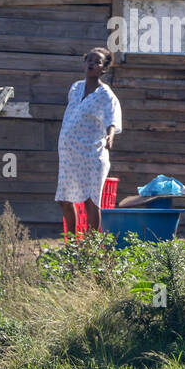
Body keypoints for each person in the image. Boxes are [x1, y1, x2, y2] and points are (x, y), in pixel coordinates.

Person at [55, 47, 123, 233]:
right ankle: (72, 248)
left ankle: (91, 250)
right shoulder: (75, 88)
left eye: (98, 62)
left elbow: (111, 118)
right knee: (64, 199)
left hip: (92, 155)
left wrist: (110, 135)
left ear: (104, 69)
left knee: (91, 201)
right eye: (90, 60)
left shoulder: (105, 94)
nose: (92, 64)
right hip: (70, 155)